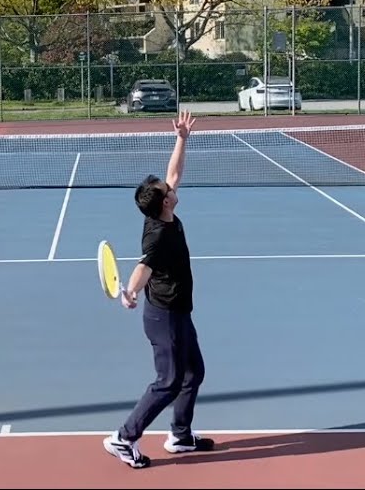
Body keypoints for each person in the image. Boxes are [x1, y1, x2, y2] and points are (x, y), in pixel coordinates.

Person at [104, 109, 214, 469]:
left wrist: (181, 138)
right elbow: (143, 266)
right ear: (165, 202)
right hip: (163, 316)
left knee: (193, 373)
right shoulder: (160, 234)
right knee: (167, 381)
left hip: (179, 310)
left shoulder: (161, 211)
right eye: (167, 191)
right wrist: (130, 292)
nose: (171, 187)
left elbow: (173, 174)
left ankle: (180, 436)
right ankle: (124, 438)